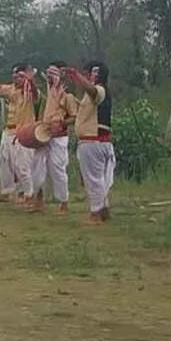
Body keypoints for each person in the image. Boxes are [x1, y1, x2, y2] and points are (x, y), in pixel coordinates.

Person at [0, 63, 39, 204]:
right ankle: (8, 191)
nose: (16, 78)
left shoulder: (29, 91)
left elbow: (36, 95)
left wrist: (30, 80)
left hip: (24, 132)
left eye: (20, 76)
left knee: (22, 165)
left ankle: (29, 194)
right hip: (8, 131)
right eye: (14, 75)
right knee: (4, 161)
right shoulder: (11, 89)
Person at [65, 62, 115, 225]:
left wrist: (78, 78)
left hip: (93, 142)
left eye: (93, 73)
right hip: (98, 141)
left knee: (93, 179)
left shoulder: (99, 90)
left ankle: (95, 213)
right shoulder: (96, 95)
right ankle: (103, 208)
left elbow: (92, 90)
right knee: (98, 179)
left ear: (98, 75)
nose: (90, 76)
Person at [30, 61, 77, 214]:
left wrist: (62, 122)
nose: (49, 76)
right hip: (44, 134)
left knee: (57, 169)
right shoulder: (49, 92)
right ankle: (38, 199)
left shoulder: (67, 95)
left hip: (59, 136)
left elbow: (74, 117)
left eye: (53, 73)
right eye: (48, 73)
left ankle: (64, 202)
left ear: (61, 75)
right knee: (37, 165)